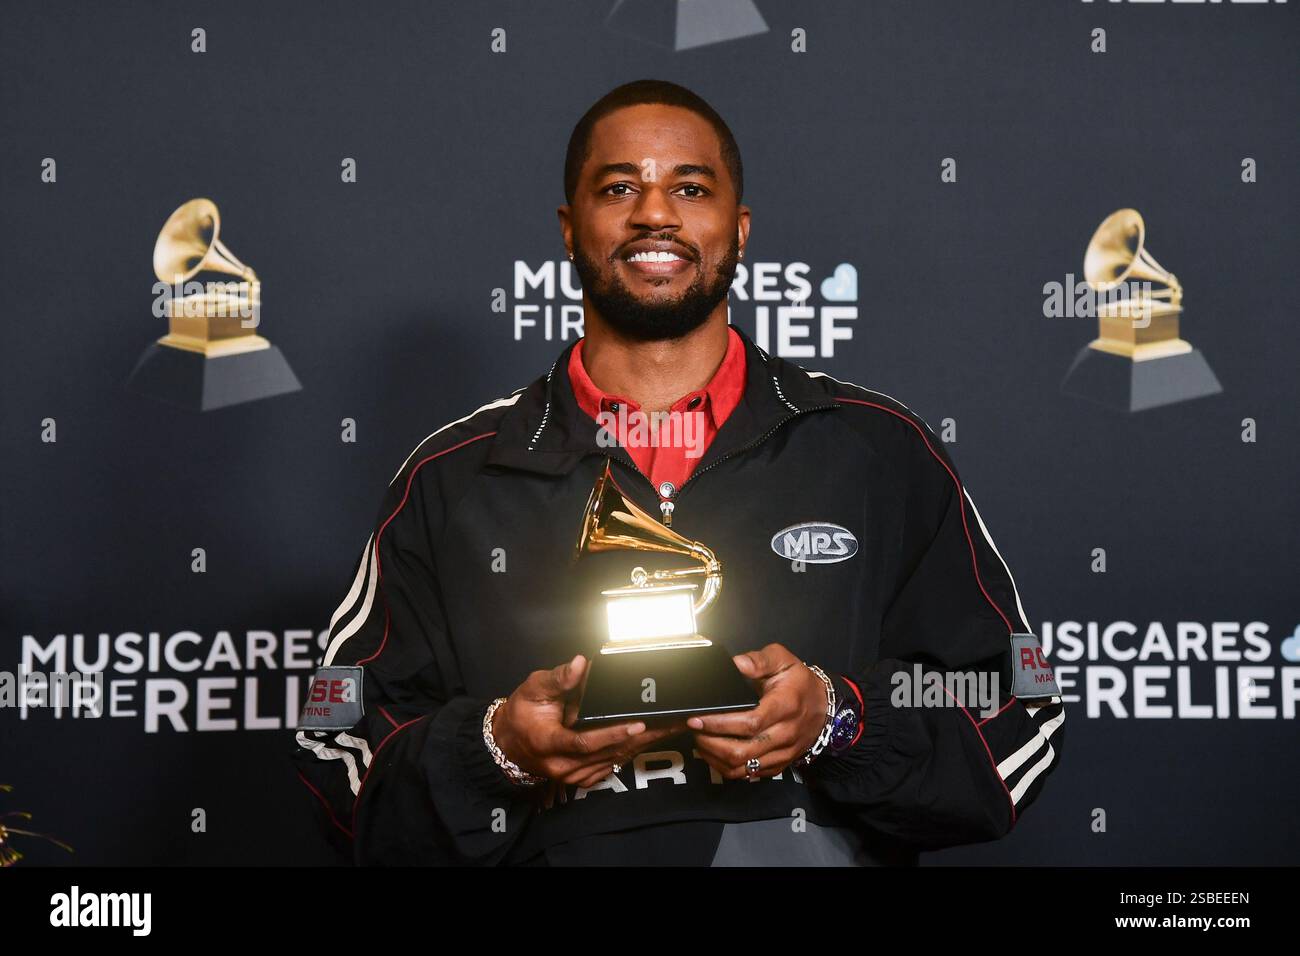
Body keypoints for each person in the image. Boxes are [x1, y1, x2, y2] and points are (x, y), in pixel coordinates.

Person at [292, 78, 1065, 866]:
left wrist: (838, 720)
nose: (655, 213)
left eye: (690, 188)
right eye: (619, 186)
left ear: (740, 227)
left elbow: (1019, 713)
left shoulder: (878, 451)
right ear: (570, 228)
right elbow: (334, 746)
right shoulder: (451, 476)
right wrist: (497, 749)